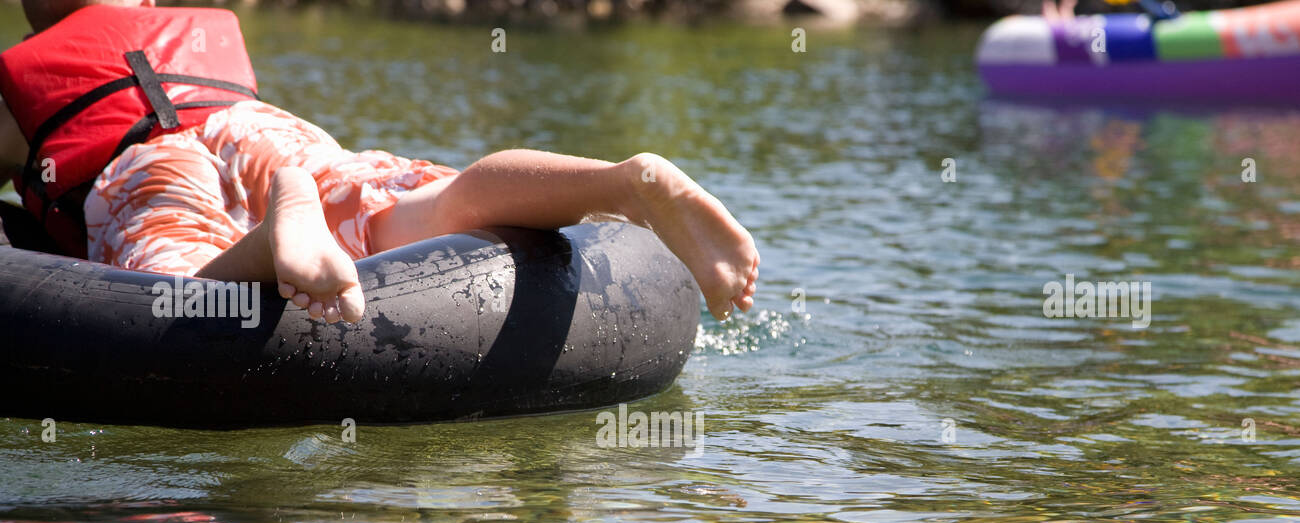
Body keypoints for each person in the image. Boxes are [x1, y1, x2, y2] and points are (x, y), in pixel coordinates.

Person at [0, 0, 758, 324]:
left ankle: (270, 242)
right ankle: (622, 181)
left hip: (139, 166)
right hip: (256, 129)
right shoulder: (193, 36)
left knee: (179, 288)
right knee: (430, 206)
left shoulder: (25, 76)